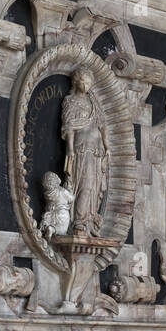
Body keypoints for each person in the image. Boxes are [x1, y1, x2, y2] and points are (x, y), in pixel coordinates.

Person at [61, 68, 108, 237]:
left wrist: (107, 147)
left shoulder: (94, 102)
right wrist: (70, 148)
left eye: (89, 82)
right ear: (76, 82)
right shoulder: (70, 101)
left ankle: (90, 219)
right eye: (83, 82)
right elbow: (69, 127)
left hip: (97, 151)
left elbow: (102, 126)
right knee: (84, 185)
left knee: (94, 189)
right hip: (82, 149)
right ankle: (79, 221)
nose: (86, 85)